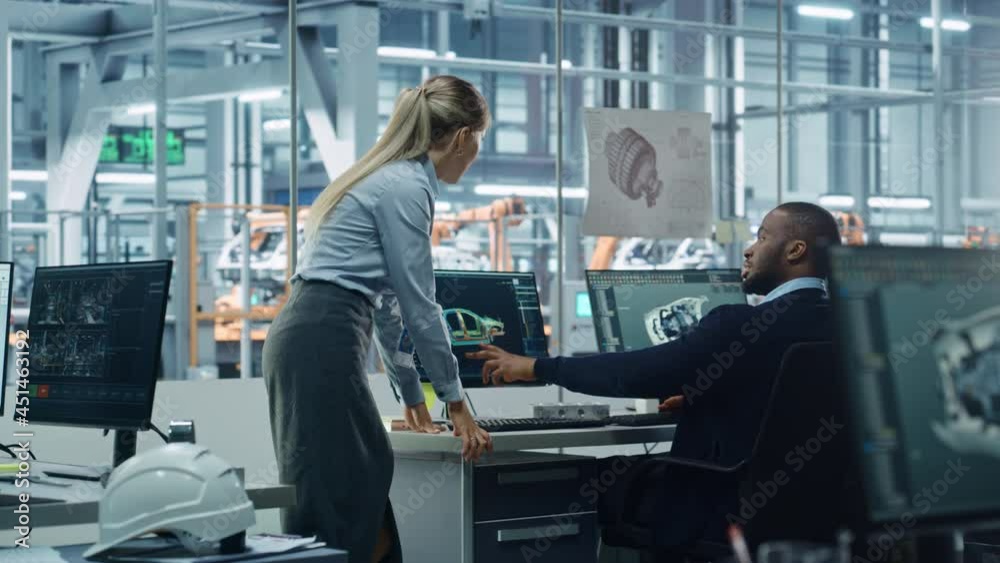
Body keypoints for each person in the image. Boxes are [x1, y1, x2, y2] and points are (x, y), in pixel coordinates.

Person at [467, 202, 841, 551]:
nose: (748, 250)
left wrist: (538, 367)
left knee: (574, 477)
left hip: (715, 507)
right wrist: (704, 399)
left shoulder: (739, 325)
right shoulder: (849, 326)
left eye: (761, 237)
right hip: (812, 511)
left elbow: (639, 374)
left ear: (795, 251)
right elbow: (783, 397)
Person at [263, 75, 494, 563]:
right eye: (479, 141)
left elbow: (389, 311)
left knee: (354, 481)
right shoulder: (407, 187)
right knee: (338, 496)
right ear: (462, 137)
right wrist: (455, 401)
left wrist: (413, 395)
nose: (476, 156)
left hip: (311, 335)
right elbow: (419, 305)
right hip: (321, 338)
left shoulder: (388, 179)